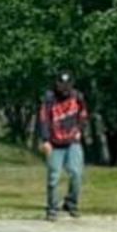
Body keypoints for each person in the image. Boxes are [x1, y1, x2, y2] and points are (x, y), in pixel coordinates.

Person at [38, 72, 89, 221]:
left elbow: (84, 115)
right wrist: (45, 140)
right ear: (57, 84)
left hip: (73, 141)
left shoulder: (77, 97)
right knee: (54, 176)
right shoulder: (49, 99)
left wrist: (80, 130)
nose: (64, 89)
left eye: (67, 85)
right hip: (54, 143)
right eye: (61, 85)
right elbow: (43, 119)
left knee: (76, 174)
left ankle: (71, 203)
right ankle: (52, 207)